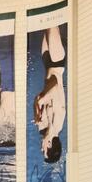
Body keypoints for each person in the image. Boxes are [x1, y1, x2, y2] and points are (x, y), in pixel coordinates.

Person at [33, 25, 66, 164]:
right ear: (50, 145)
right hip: (57, 61)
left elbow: (37, 98)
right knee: (52, 22)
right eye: (44, 150)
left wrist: (37, 109)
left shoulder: (42, 128)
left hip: (47, 63)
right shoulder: (58, 121)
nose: (41, 148)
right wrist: (42, 100)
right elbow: (55, 83)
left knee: (44, 22)